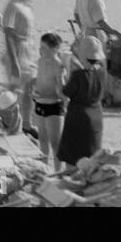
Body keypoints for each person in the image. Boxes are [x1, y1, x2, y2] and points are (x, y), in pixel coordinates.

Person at [0, 0, 40, 136]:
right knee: (16, 89)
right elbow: (8, 33)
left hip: (29, 49)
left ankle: (27, 123)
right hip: (18, 49)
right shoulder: (14, 5)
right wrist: (14, 60)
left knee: (29, 88)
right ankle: (9, 122)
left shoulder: (26, 3)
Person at [58, 37, 107, 166]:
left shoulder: (78, 75)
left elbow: (64, 93)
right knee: (91, 158)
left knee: (72, 158)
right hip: (96, 116)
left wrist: (60, 76)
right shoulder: (101, 72)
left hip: (78, 118)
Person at [31, 33, 69, 168]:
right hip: (40, 103)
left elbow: (60, 89)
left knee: (55, 143)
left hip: (53, 106)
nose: (41, 51)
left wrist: (64, 102)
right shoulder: (40, 61)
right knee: (42, 140)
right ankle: (44, 168)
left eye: (45, 48)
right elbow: (40, 80)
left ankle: (58, 171)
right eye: (40, 47)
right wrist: (35, 90)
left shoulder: (57, 65)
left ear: (55, 49)